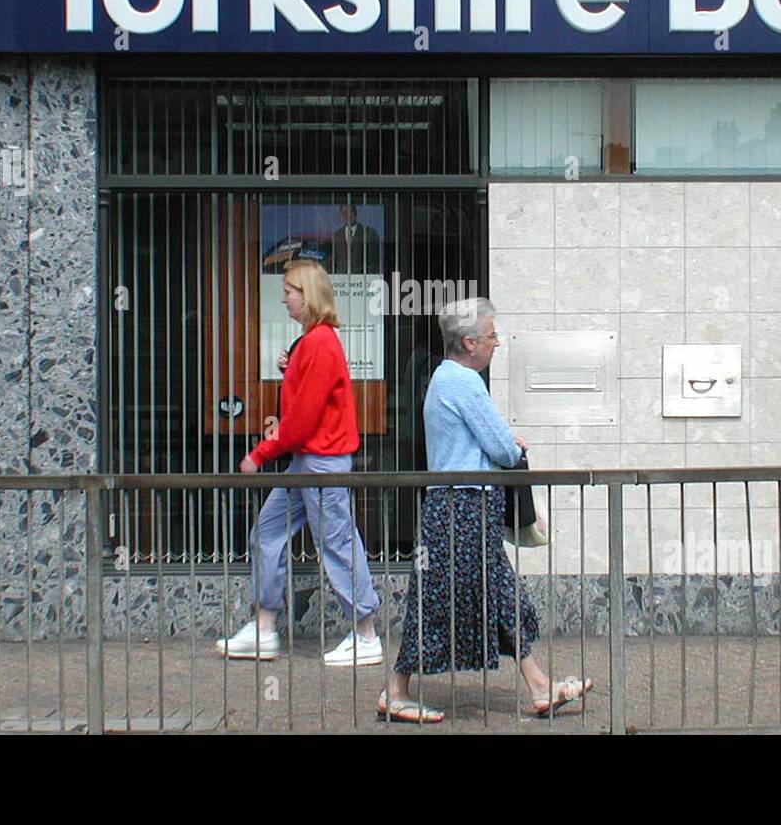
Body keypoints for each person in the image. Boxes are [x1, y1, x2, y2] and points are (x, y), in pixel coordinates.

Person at [379, 297, 593, 722]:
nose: (497, 343)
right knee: (438, 600)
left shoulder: (446, 378)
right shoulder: (462, 382)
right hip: (462, 507)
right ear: (470, 342)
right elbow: (498, 447)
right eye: (492, 336)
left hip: (460, 507)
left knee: (499, 594)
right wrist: (511, 444)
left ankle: (539, 686)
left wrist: (503, 441)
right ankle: (396, 691)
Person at [218, 259, 382, 666]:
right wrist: (292, 372)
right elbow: (307, 408)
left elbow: (303, 418)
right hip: (311, 463)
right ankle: (264, 629)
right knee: (269, 532)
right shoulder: (314, 343)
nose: (284, 298)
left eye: (288, 292)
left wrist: (259, 454)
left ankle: (366, 634)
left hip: (320, 463)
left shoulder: (319, 342)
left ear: (306, 295)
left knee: (336, 542)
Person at [328, 203, 381, 274]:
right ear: (341, 216)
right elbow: (332, 259)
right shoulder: (336, 235)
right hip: (340, 280)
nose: (348, 215)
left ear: (356, 214)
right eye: (345, 212)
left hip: (363, 280)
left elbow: (374, 261)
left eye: (351, 211)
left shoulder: (369, 233)